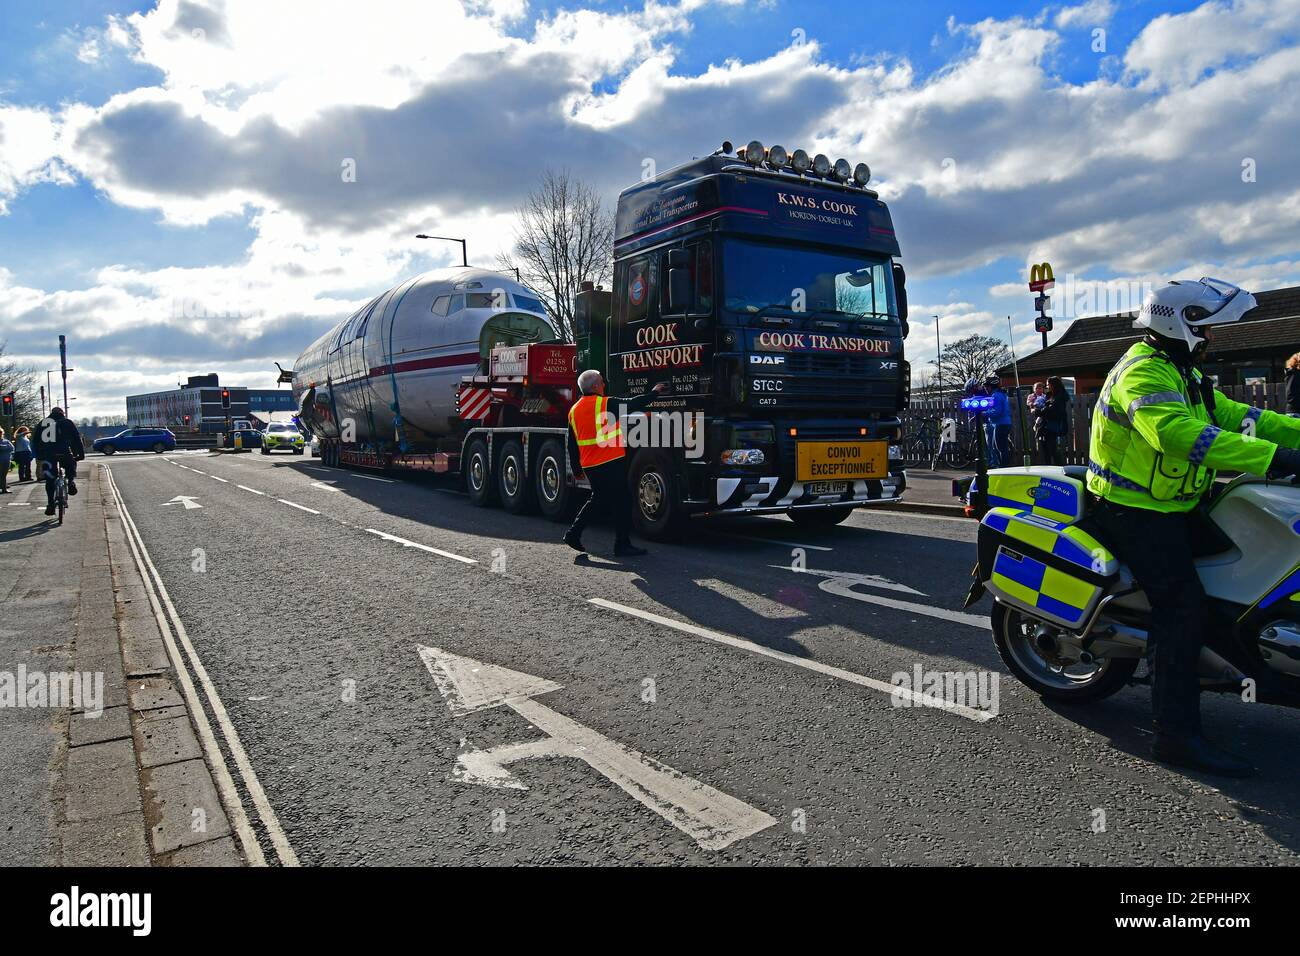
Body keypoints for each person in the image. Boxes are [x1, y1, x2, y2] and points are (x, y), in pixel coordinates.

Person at [1085, 278, 1300, 777]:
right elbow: (1179, 436)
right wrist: (1278, 458)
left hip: (1176, 503)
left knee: (1241, 575)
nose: (1213, 338)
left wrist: (1294, 435)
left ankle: (1243, 664)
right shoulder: (1142, 372)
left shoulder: (1184, 372)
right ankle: (1175, 736)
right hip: (1133, 511)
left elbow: (1242, 417)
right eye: (1207, 330)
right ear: (1181, 325)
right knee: (1181, 607)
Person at [564, 371, 668, 557]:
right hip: (609, 461)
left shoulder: (574, 410)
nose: (604, 385)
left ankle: (574, 534)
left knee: (598, 499)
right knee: (623, 500)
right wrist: (654, 392)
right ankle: (622, 545)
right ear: (595, 386)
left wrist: (576, 468)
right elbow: (633, 403)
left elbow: (571, 444)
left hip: (590, 465)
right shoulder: (605, 403)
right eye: (601, 382)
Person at [32, 407, 85, 516]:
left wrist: (39, 455)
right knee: (71, 464)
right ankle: (71, 482)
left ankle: (51, 504)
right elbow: (76, 438)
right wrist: (80, 454)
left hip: (49, 454)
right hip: (64, 452)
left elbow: (36, 440)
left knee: (50, 479)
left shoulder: (43, 423)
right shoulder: (67, 422)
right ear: (62, 413)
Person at [1034, 376, 1070, 466]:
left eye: (1048, 385)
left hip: (1052, 426)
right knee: (1047, 449)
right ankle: (1050, 466)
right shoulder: (1051, 396)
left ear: (1053, 385)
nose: (1047, 387)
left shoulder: (1058, 397)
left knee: (1052, 449)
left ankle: (1058, 467)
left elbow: (1052, 411)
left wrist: (1038, 411)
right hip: (1048, 426)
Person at [983, 374, 1012, 467]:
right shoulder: (1001, 394)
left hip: (1000, 424)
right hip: (1004, 423)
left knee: (1000, 448)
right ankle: (1004, 466)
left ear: (991, 386)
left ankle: (1004, 467)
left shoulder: (996, 396)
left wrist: (983, 413)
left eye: (986, 387)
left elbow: (997, 411)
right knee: (998, 447)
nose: (985, 389)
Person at [0, 428, 12, 494]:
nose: (0, 434)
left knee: (4, 475)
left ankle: (4, 488)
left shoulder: (6, 441)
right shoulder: (6, 443)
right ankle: (3, 487)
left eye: (1, 432)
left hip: (6, 460)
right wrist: (6, 447)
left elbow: (12, 448)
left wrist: (3, 447)